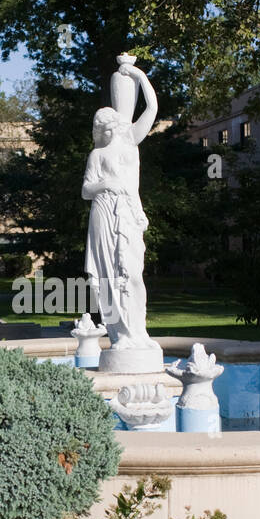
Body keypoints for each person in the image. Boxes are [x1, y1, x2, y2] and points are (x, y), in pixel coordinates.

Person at [82, 59, 159, 351]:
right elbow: (86, 190)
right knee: (109, 274)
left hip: (127, 212)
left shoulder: (132, 141)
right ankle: (120, 333)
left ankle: (137, 331)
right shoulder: (97, 155)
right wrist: (106, 185)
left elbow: (151, 108)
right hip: (102, 211)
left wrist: (138, 75)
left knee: (132, 272)